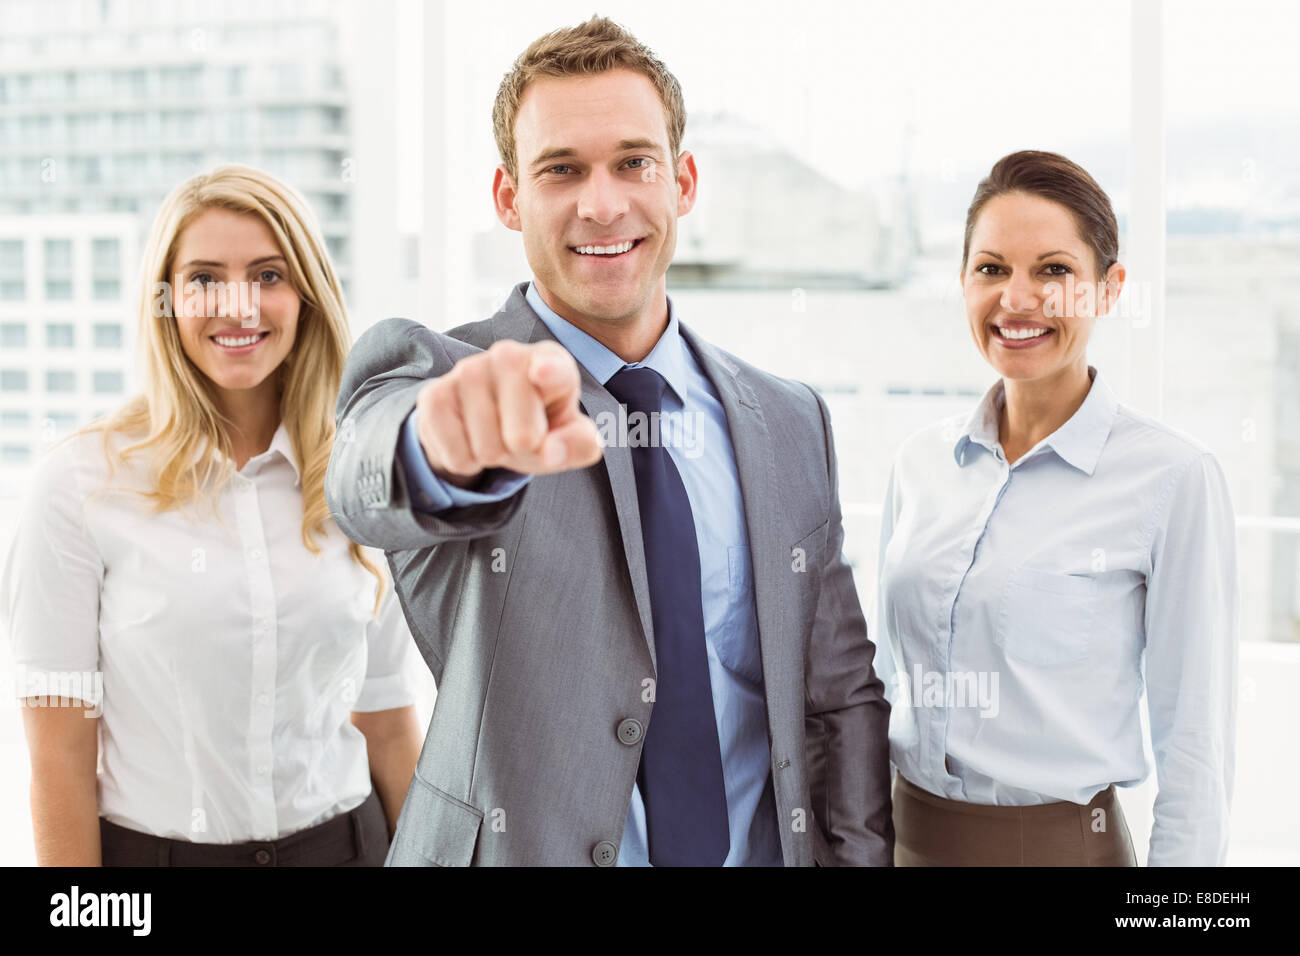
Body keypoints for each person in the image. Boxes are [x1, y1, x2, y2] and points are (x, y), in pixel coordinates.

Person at [326, 16, 892, 866]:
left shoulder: (790, 422)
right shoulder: (449, 375)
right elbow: (363, 472)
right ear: (509, 197)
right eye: (561, 170)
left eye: (634, 162)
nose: (602, 202)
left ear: (683, 181)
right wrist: (440, 445)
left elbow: (839, 699)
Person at [1, 165, 423, 866]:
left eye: (267, 275)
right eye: (202, 278)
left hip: (350, 847)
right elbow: (59, 762)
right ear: (165, 300)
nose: (238, 306)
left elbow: (387, 722)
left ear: (307, 297)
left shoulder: (355, 473)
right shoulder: (80, 486)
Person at [875, 150, 1238, 866]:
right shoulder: (919, 465)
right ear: (963, 282)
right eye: (991, 269)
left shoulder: (1172, 479)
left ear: (1108, 291)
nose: (1017, 298)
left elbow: (1195, 744)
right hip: (901, 845)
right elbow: (887, 682)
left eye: (1053, 271)